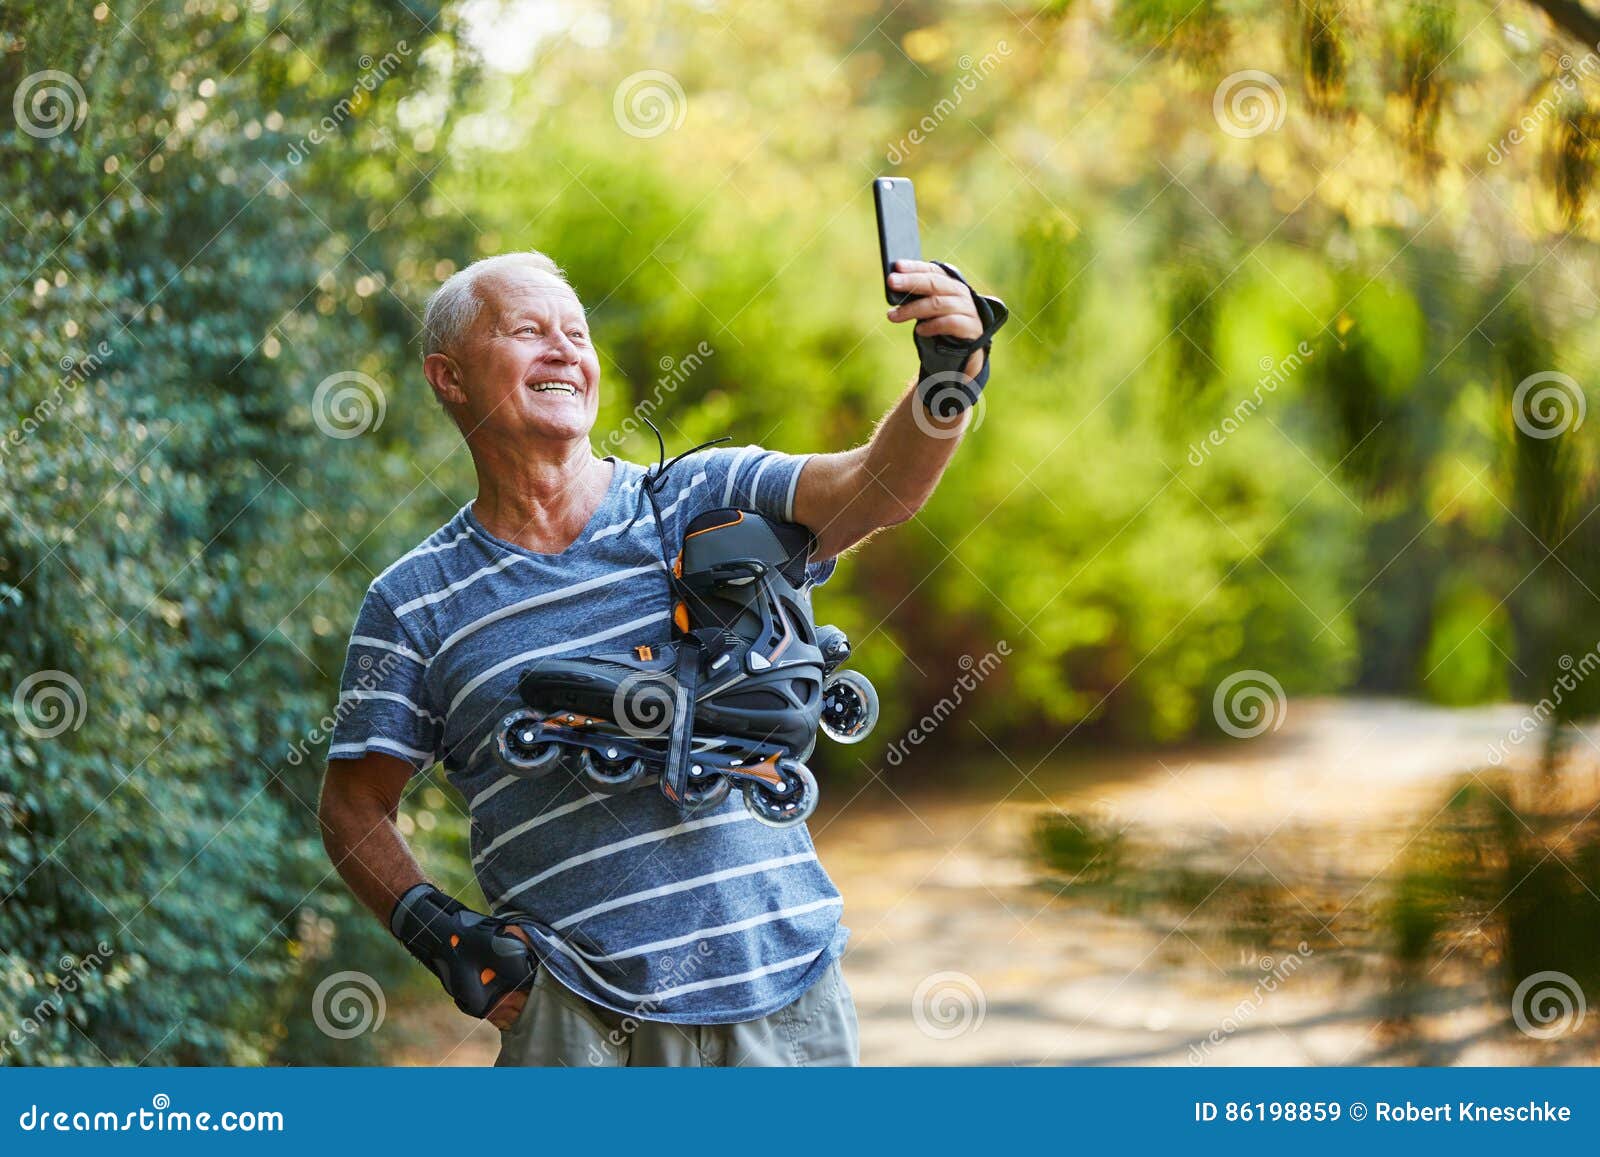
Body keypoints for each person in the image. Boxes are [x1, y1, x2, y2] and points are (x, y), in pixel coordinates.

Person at [317, 249, 1004, 1066]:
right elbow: (352, 807)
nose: (565, 349)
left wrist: (947, 381)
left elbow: (878, 487)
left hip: (786, 1000)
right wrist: (440, 934)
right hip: (580, 1024)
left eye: (576, 333)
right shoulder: (414, 599)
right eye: (529, 330)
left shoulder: (698, 496)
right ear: (450, 376)